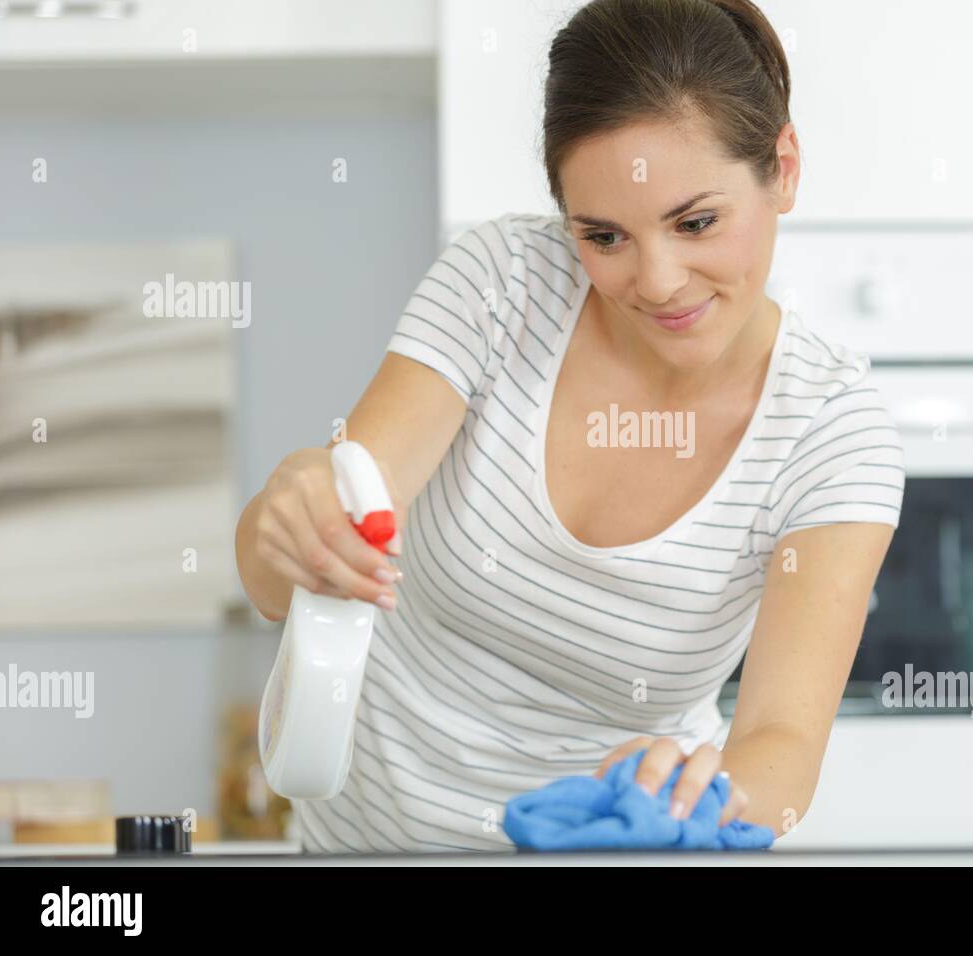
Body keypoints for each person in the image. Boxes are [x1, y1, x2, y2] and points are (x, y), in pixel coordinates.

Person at [234, 0, 904, 853]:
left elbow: (782, 745)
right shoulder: (503, 285)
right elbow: (283, 573)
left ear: (783, 168)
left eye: (696, 222)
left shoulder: (832, 434)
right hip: (367, 849)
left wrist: (707, 798)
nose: (658, 280)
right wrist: (288, 523)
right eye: (604, 235)